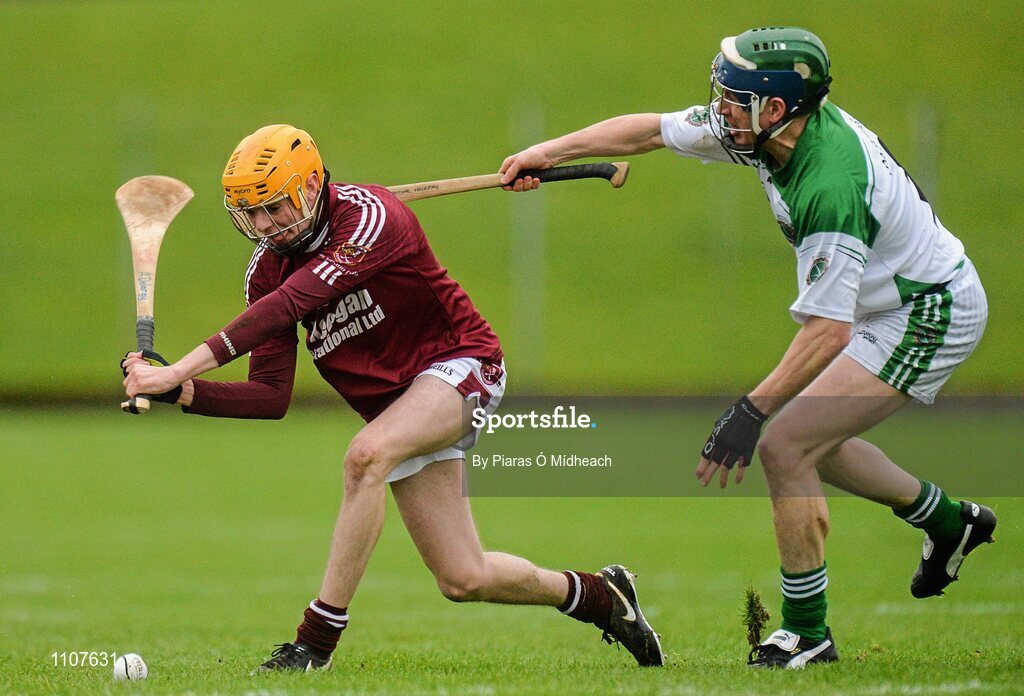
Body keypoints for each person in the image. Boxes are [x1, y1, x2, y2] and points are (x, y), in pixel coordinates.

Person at [499, 27, 995, 669]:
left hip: (927, 309)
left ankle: (807, 633)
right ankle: (949, 522)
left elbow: (826, 332)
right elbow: (648, 130)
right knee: (816, 440)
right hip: (886, 305)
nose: (721, 109)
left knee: (787, 445)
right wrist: (546, 151)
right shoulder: (763, 133)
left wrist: (749, 411)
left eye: (736, 99)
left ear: (778, 109)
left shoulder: (829, 185)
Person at [122, 124, 664, 671]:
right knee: (463, 577)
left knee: (365, 455)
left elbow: (289, 306)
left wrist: (181, 365)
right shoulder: (265, 270)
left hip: (460, 364)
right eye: (252, 213)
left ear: (311, 186)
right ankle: (601, 596)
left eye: (275, 207)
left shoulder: (372, 218)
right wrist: (181, 391)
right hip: (400, 407)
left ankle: (314, 644)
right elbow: (269, 395)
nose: (263, 226)